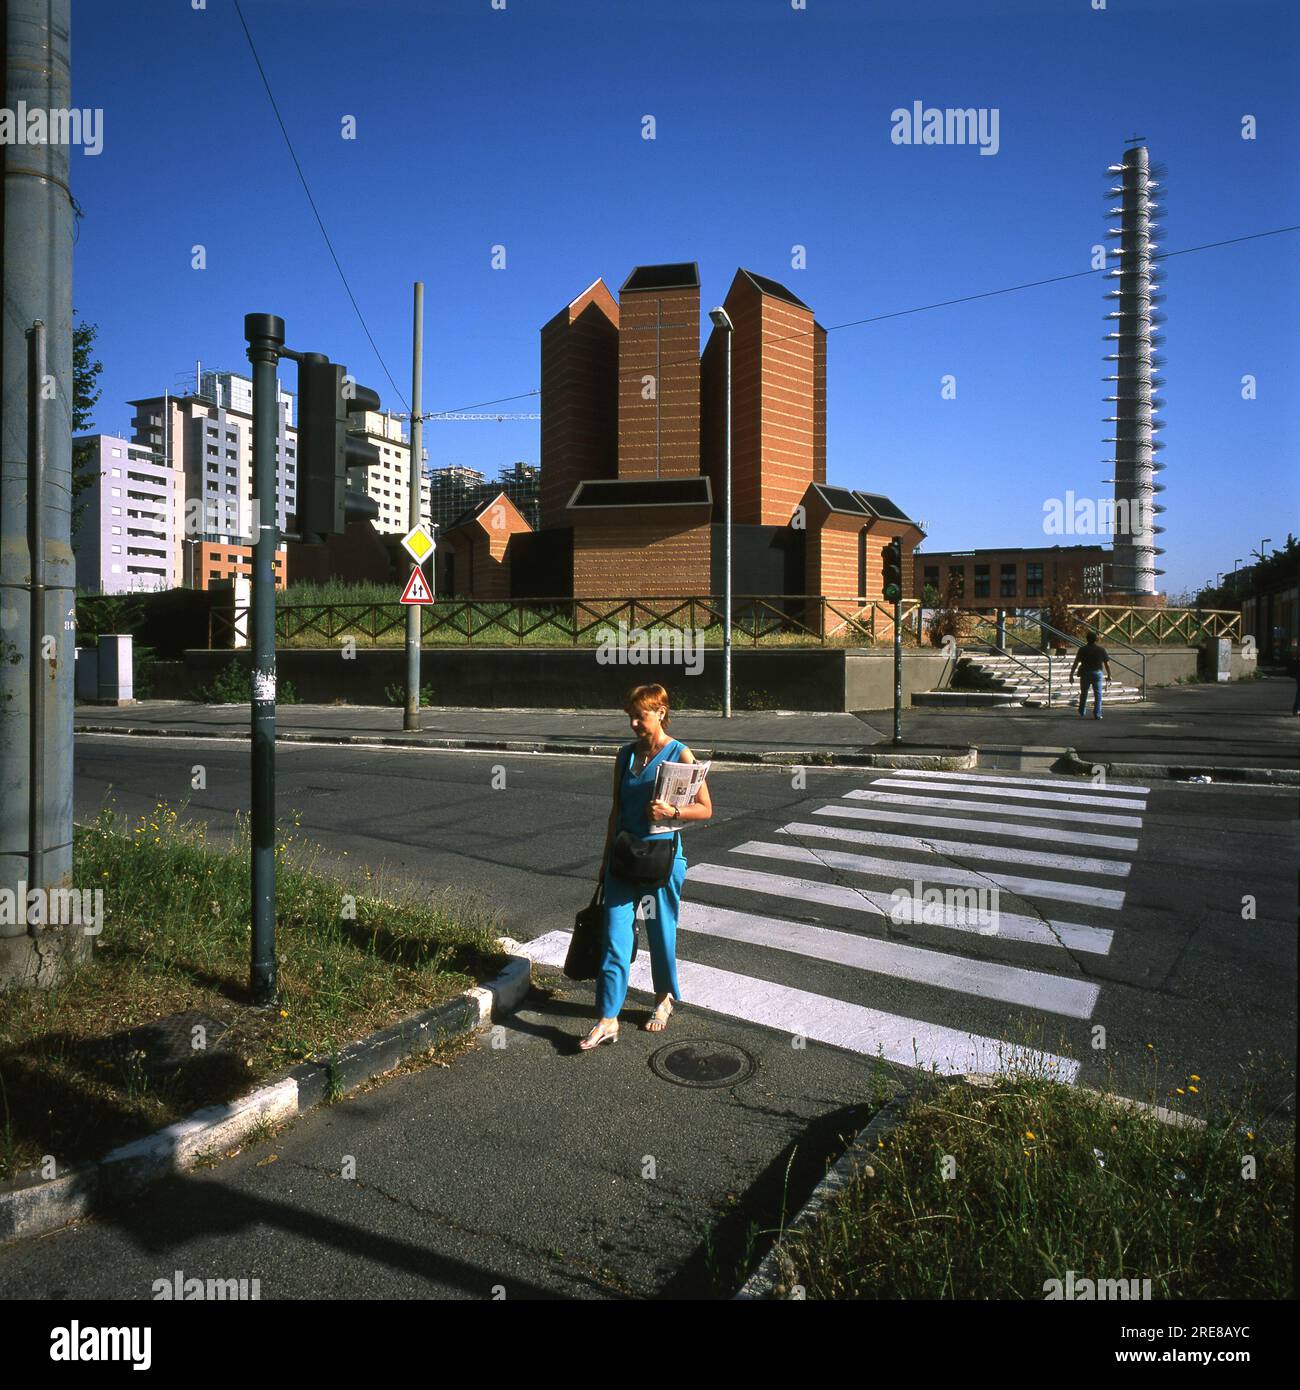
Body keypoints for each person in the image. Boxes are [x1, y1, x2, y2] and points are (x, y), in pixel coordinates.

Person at [579, 683, 712, 1051]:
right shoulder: (624, 756)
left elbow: (706, 808)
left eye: (642, 716)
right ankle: (607, 1018)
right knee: (614, 937)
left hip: (662, 860)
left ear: (661, 712)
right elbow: (616, 812)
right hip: (624, 858)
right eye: (631, 717)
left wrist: (672, 812)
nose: (635, 723)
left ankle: (664, 997)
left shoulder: (679, 754)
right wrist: (605, 861)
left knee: (660, 935)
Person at [1070, 629, 1112, 719]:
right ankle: (1097, 714)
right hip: (1097, 673)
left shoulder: (1082, 649)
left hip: (1085, 673)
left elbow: (1076, 662)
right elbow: (1107, 664)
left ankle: (1082, 711)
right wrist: (1109, 675)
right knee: (1098, 694)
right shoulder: (1101, 650)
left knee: (1084, 692)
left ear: (1087, 639)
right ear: (1096, 639)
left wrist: (1071, 675)